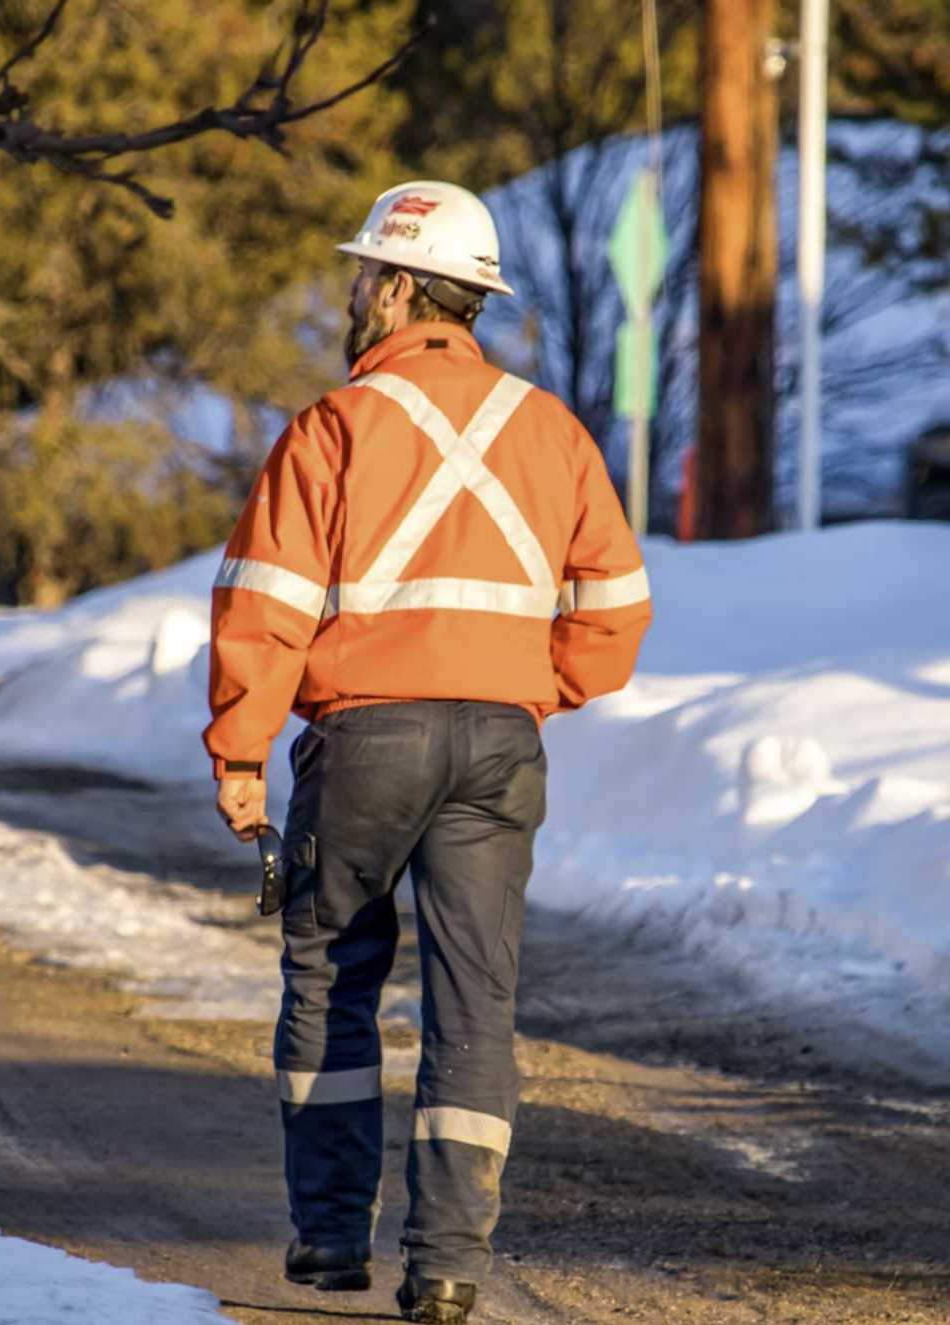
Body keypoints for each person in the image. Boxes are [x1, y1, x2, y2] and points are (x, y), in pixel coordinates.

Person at [204, 180, 652, 1324]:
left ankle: (328, 1234)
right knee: (473, 1003)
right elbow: (614, 607)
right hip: (499, 746)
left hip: (363, 737)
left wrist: (241, 749)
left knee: (331, 972)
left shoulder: (333, 428)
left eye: (362, 276)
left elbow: (265, 605)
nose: (351, 293)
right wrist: (528, 692)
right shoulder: (550, 429)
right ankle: (448, 1263)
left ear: (398, 287)